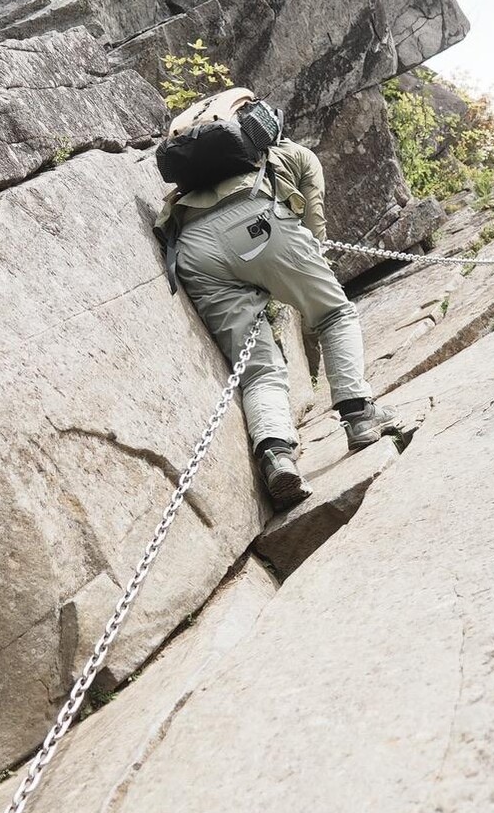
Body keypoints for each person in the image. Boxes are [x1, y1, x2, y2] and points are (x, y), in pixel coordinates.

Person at [154, 87, 404, 510]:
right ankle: (360, 416)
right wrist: (291, 270)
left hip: (194, 247)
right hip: (261, 222)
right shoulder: (293, 155)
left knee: (258, 370)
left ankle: (277, 456)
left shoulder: (187, 190)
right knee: (334, 314)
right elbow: (314, 227)